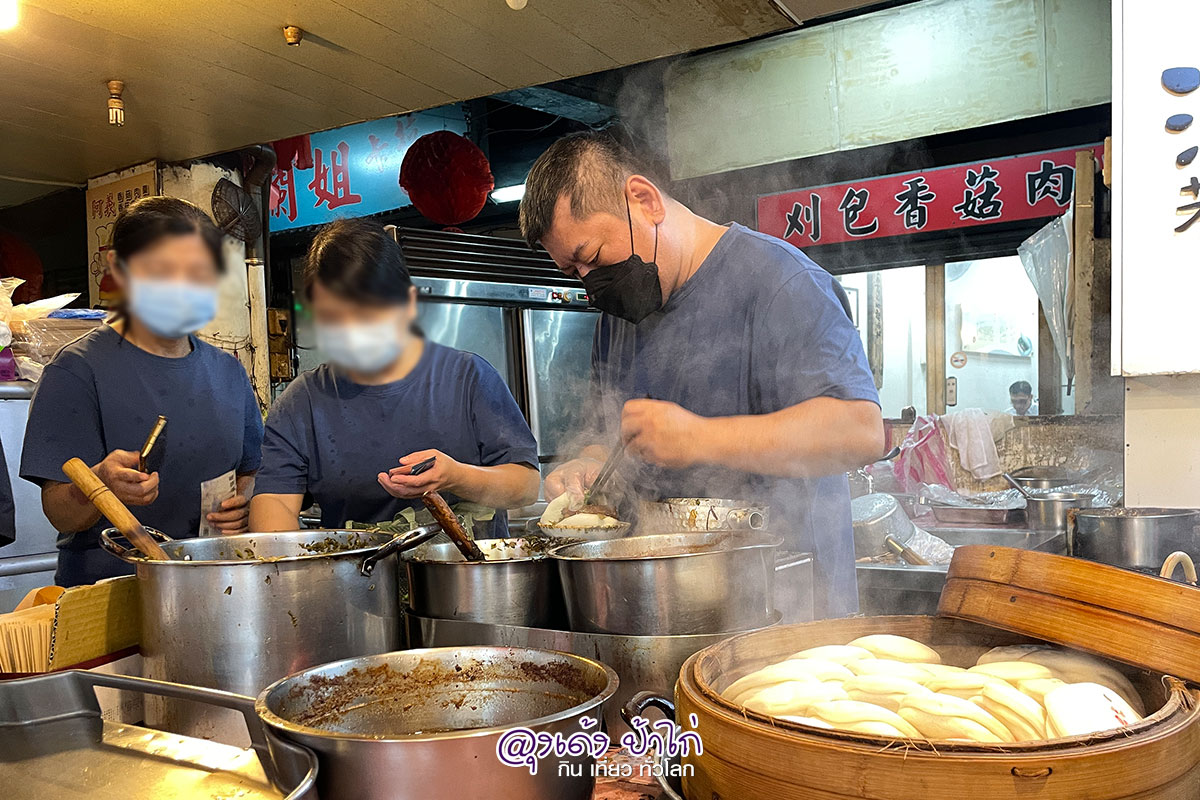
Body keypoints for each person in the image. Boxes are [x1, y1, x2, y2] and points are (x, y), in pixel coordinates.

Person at [519, 133, 884, 619]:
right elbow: (615, 435)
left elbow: (858, 432)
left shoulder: (781, 283)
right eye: (573, 270)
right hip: (669, 604)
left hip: (788, 609)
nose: (589, 281)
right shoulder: (620, 317)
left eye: (591, 255)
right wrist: (587, 465)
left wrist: (700, 438)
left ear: (643, 200)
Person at [20, 197, 263, 587]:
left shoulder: (227, 371)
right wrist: (99, 484)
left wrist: (248, 502)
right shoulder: (77, 370)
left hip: (216, 585)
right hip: (111, 598)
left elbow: (253, 469)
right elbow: (57, 510)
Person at [248, 218, 539, 535]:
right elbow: (273, 506)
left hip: (467, 580)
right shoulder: (302, 403)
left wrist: (456, 476)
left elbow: (524, 486)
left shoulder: (468, 378)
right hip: (359, 582)